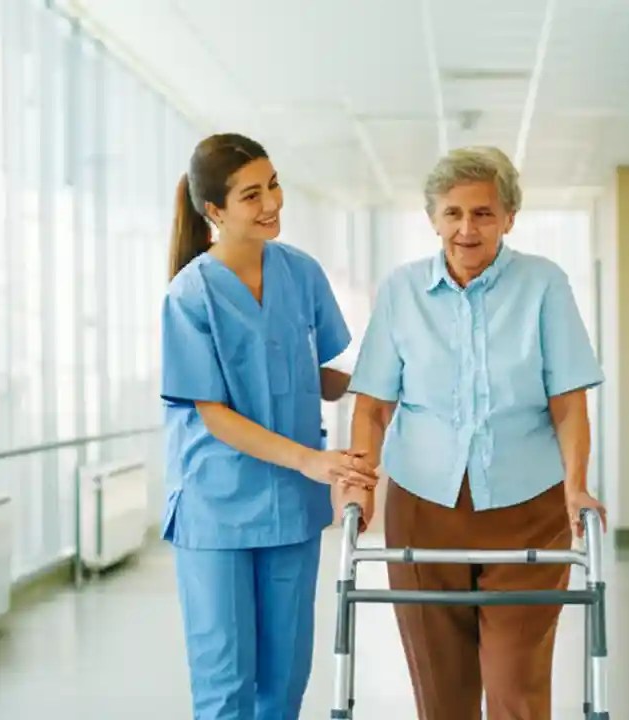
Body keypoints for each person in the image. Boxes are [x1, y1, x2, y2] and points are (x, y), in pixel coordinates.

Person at [344, 146, 607, 720]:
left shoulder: (543, 285)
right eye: (454, 213)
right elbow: (373, 408)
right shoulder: (401, 292)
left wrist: (576, 487)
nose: (467, 228)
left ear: (509, 217)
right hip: (423, 509)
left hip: (528, 508)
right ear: (433, 218)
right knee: (441, 692)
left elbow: (568, 403)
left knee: (516, 686)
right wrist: (359, 485)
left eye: (484, 213)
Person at [160, 133, 377, 720]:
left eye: (274, 185)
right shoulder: (190, 295)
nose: (272, 203)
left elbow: (313, 375)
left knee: (284, 682)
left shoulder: (301, 274)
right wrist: (312, 460)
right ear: (215, 210)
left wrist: (383, 382)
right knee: (226, 685)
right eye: (251, 195)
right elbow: (214, 413)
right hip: (217, 508)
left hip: (290, 509)